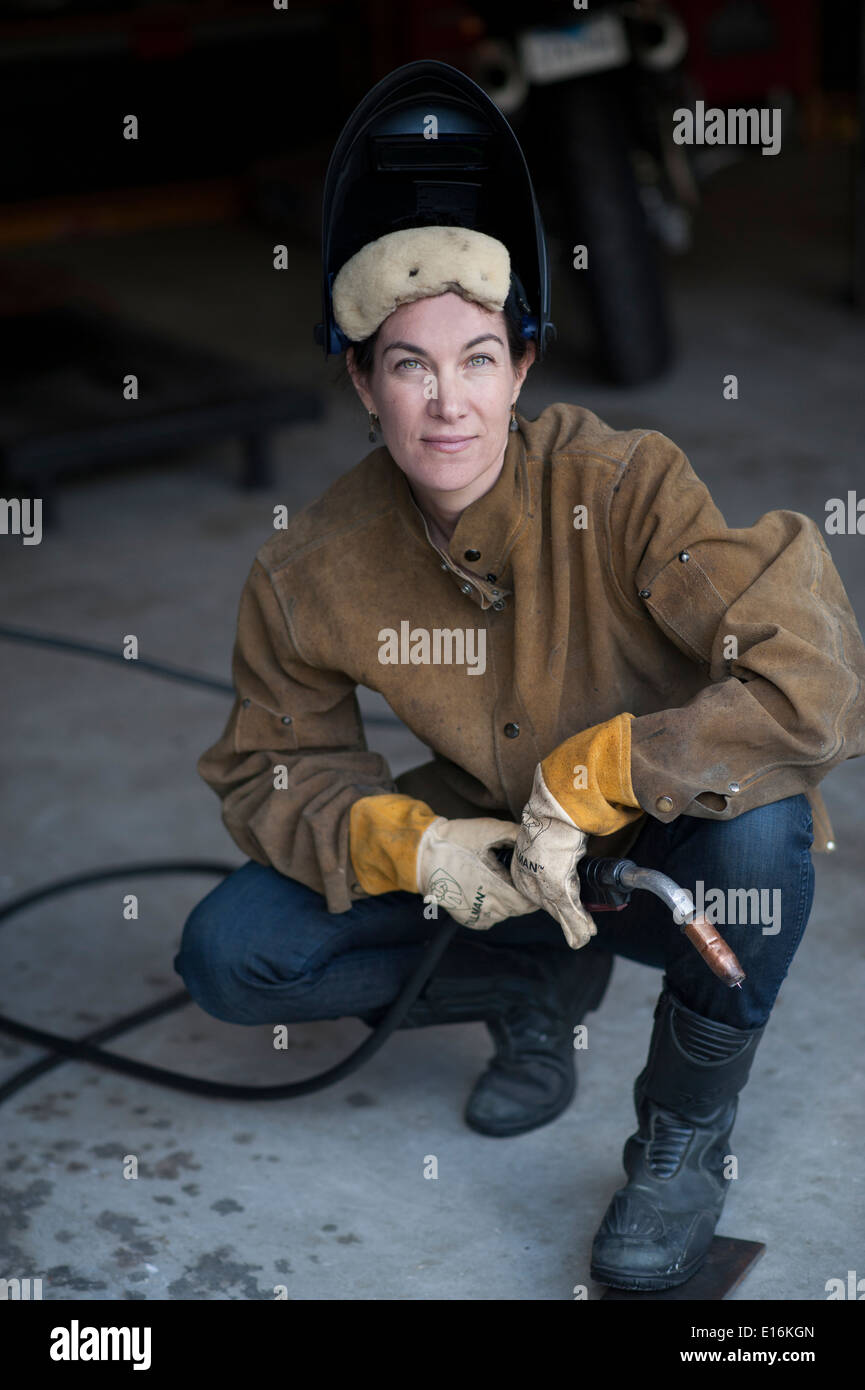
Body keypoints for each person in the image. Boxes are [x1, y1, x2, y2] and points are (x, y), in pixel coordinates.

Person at [174, 71, 865, 1293]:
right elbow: (269, 770)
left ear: (522, 360)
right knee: (234, 954)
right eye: (408, 366)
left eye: (477, 358)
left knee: (763, 832)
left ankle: (678, 1145)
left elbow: (806, 669)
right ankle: (534, 975)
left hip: (665, 852)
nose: (449, 404)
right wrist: (413, 846)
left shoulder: (627, 481)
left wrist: (602, 776)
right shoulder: (308, 567)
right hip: (486, 850)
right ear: (359, 380)